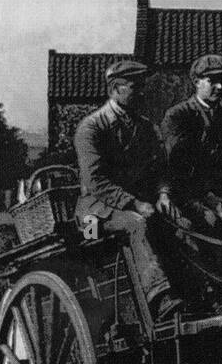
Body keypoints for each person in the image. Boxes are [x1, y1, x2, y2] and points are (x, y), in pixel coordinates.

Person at [73, 59, 185, 327]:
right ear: (115, 89)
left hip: (138, 204)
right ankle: (160, 298)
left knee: (183, 224)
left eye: (143, 86)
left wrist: (163, 195)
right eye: (136, 87)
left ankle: (196, 292)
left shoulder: (145, 127)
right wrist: (134, 203)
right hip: (94, 212)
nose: (143, 92)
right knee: (137, 224)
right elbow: (96, 181)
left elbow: (160, 169)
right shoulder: (91, 128)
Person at [160, 55, 222, 286]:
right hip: (184, 195)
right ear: (196, 82)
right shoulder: (178, 116)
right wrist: (208, 197)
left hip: (218, 196)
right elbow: (178, 168)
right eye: (212, 80)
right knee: (209, 222)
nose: (220, 87)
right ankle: (215, 290)